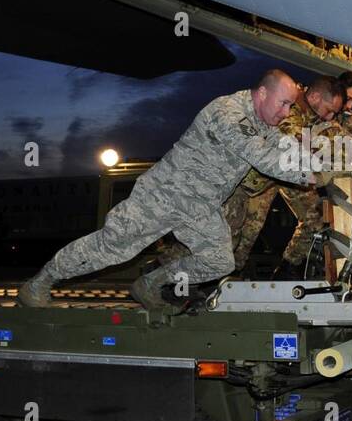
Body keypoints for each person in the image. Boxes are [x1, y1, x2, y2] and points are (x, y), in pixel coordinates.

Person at [17, 69, 316, 311]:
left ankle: (151, 283)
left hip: (200, 207)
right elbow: (262, 156)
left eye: (291, 105)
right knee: (111, 247)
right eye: (284, 103)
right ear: (262, 93)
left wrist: (315, 156)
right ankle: (41, 281)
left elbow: (281, 145)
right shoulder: (227, 111)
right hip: (164, 195)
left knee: (219, 261)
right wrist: (311, 174)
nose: (287, 112)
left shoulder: (261, 121)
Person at [228, 75, 345, 279]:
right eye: (329, 110)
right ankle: (217, 280)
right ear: (315, 97)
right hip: (258, 177)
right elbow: (290, 141)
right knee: (243, 236)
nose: (329, 117)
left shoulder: (317, 114)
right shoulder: (290, 108)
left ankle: (288, 269)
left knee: (316, 214)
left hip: (287, 174)